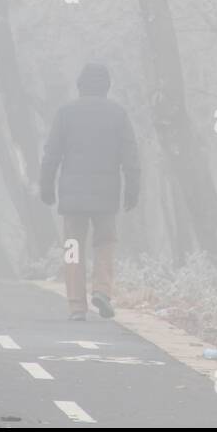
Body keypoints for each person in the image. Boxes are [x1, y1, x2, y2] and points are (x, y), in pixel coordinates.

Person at [39, 62, 141, 320]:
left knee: (73, 246)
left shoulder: (65, 114)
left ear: (80, 85)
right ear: (107, 87)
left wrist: (46, 186)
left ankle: (76, 306)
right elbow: (130, 156)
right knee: (105, 242)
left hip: (73, 196)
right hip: (106, 195)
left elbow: (51, 154)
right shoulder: (118, 114)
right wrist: (132, 189)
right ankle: (102, 291)